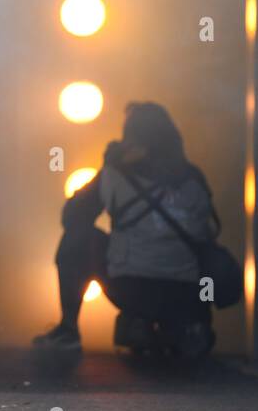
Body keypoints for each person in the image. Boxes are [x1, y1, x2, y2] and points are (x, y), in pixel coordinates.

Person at [33, 102, 221, 359]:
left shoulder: (115, 173)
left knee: (78, 239)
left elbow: (73, 217)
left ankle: (68, 331)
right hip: (184, 292)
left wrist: (111, 164)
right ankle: (192, 324)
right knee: (208, 253)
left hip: (131, 288)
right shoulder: (193, 178)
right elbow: (207, 234)